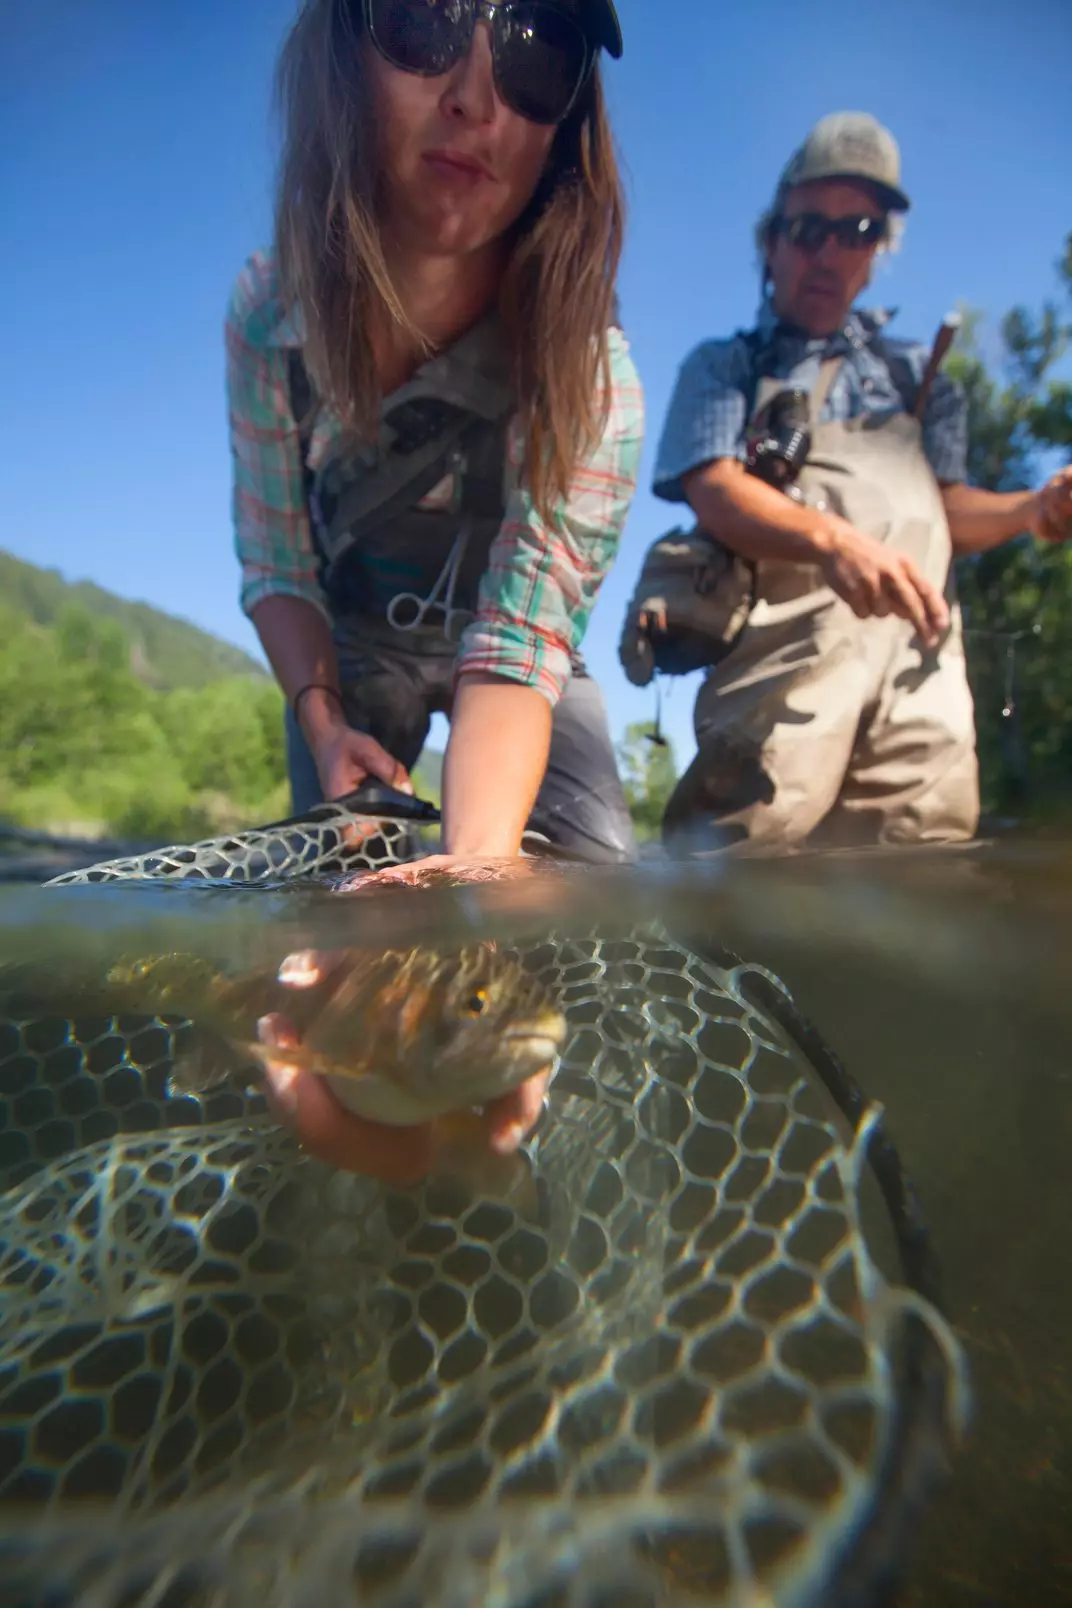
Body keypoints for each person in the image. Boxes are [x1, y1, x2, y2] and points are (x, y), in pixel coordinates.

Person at [224, 0, 642, 1180]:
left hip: (516, 660)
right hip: (345, 649)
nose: (473, 94)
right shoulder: (269, 316)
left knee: (579, 894)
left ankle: (527, 1167)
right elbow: (277, 565)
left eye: (534, 51)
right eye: (420, 21)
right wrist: (324, 720)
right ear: (337, 60)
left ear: (568, 124)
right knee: (338, 915)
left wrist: (476, 877)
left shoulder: (595, 373)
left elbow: (520, 644)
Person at [640, 111, 1072, 856]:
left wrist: (1034, 509)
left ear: (877, 254)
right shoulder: (725, 367)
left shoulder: (923, 382)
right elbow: (712, 487)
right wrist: (834, 542)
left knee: (922, 857)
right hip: (785, 662)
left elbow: (948, 511)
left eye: (859, 231)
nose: (831, 251)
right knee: (744, 852)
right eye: (810, 229)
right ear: (771, 242)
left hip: (921, 662)